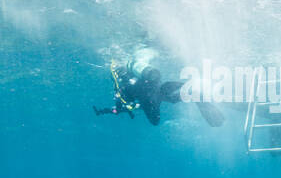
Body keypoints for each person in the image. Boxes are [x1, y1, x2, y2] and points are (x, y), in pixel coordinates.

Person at [94, 54, 223, 127]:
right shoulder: (131, 78)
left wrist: (106, 111)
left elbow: (121, 106)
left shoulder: (121, 86)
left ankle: (196, 93)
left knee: (156, 119)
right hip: (156, 87)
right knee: (170, 97)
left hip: (149, 98)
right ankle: (197, 91)